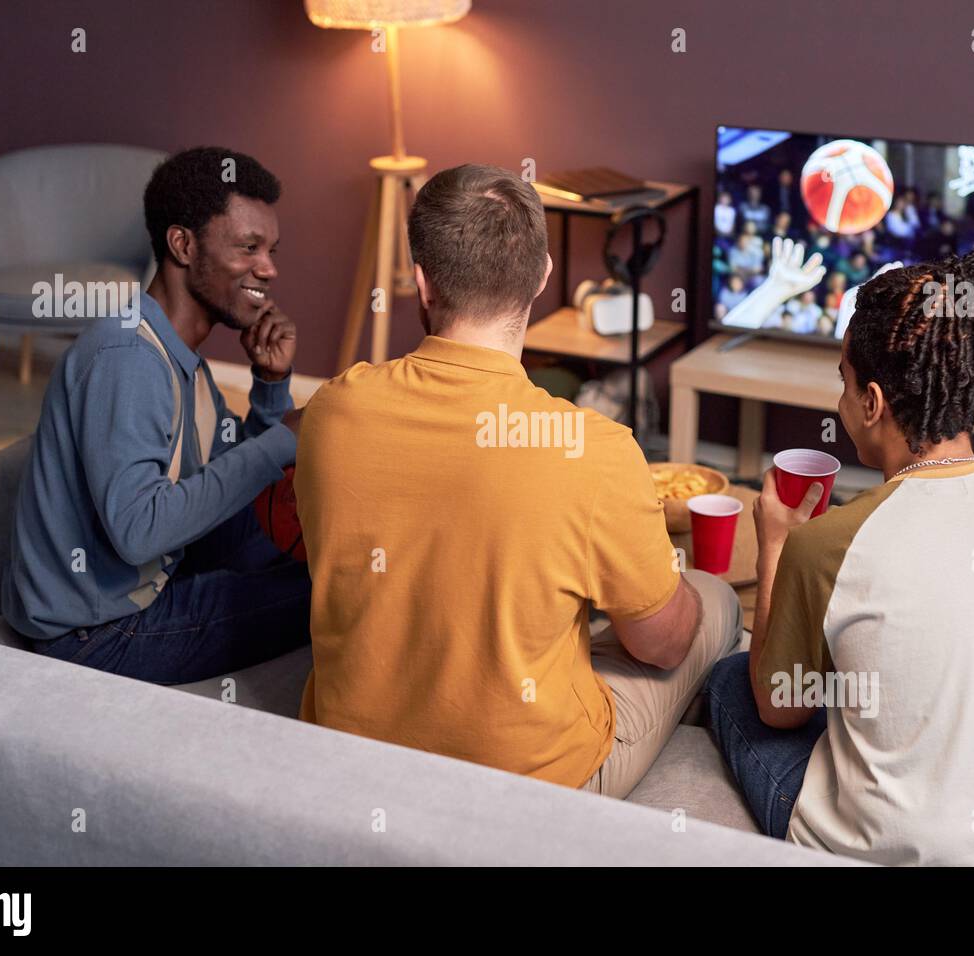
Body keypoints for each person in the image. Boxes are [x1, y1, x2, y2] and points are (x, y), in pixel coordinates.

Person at [293, 164, 741, 795]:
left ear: (421, 281)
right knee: (710, 602)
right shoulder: (597, 449)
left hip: (350, 751)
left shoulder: (330, 412)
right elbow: (662, 648)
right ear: (543, 278)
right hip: (529, 784)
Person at [706, 244, 974, 865]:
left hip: (895, 849)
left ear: (873, 403)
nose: (841, 403)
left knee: (729, 680)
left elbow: (781, 707)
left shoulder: (826, 543)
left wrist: (775, 545)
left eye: (845, 385)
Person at [1, 147, 310, 682]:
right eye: (248, 247)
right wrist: (283, 437)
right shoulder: (128, 358)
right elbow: (139, 532)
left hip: (149, 580)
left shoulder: (179, 357)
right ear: (183, 244)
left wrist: (270, 387)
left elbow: (226, 489)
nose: (270, 268)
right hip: (98, 636)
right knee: (334, 595)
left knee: (321, 546)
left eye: (271, 249)